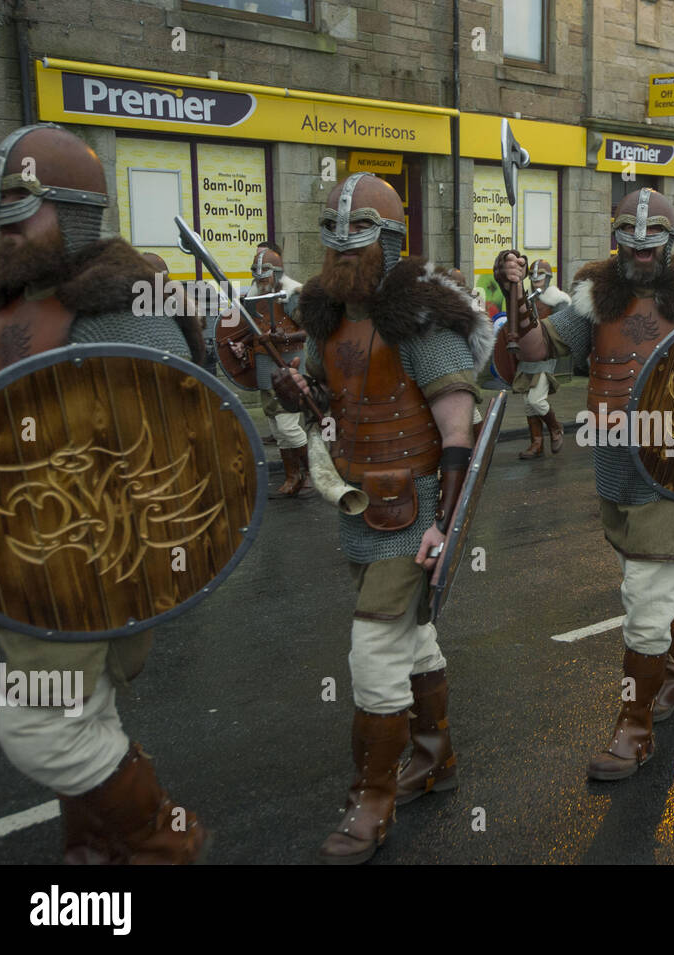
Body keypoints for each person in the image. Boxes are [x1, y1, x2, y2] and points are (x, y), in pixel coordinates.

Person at [0, 123, 204, 863]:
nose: (7, 219)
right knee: (81, 711)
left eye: (25, 202)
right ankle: (95, 856)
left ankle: (163, 841)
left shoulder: (118, 305)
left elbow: (179, 430)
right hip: (17, 556)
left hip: (90, 557)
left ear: (73, 209)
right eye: (1, 201)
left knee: (41, 723)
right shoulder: (8, 307)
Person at [273, 172, 491, 863]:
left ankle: (373, 798)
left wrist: (444, 524)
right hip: (361, 500)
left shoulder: (417, 317)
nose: (343, 246)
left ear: (391, 240)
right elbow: (329, 401)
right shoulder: (324, 314)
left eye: (359, 232)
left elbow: (459, 426)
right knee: (411, 641)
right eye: (333, 234)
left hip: (417, 506)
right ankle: (435, 756)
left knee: (373, 650)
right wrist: (301, 391)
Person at [498, 187, 674, 779]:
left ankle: (633, 729)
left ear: (670, 241)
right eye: (630, 239)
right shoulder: (592, 303)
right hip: (613, 464)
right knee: (645, 582)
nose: (639, 249)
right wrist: (516, 298)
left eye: (651, 238)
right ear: (616, 241)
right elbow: (532, 352)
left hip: (673, 466)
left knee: (642, 598)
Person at [229, 245, 311, 496]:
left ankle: (313, 473)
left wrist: (283, 338)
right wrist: (241, 344)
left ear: (276, 273)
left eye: (264, 273)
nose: (259, 278)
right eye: (256, 273)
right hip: (266, 365)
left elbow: (310, 330)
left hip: (289, 365)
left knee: (288, 427)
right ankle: (292, 476)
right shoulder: (256, 293)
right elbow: (255, 328)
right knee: (277, 428)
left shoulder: (292, 294)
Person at [512, 259, 569, 460]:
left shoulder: (558, 300)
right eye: (533, 276)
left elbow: (560, 332)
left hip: (546, 355)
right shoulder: (525, 299)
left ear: (548, 277)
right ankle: (536, 444)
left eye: (541, 276)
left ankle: (555, 428)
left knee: (536, 400)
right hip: (526, 357)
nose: (536, 279)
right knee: (528, 402)